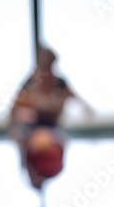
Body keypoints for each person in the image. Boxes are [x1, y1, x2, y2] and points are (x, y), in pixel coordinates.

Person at [9, 46, 91, 189]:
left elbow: (77, 99)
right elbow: (16, 106)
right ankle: (27, 164)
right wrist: (26, 111)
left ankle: (40, 166)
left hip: (52, 127)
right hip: (34, 128)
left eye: (49, 64)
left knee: (50, 144)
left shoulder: (59, 83)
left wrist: (85, 109)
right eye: (44, 63)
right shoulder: (31, 83)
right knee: (26, 139)